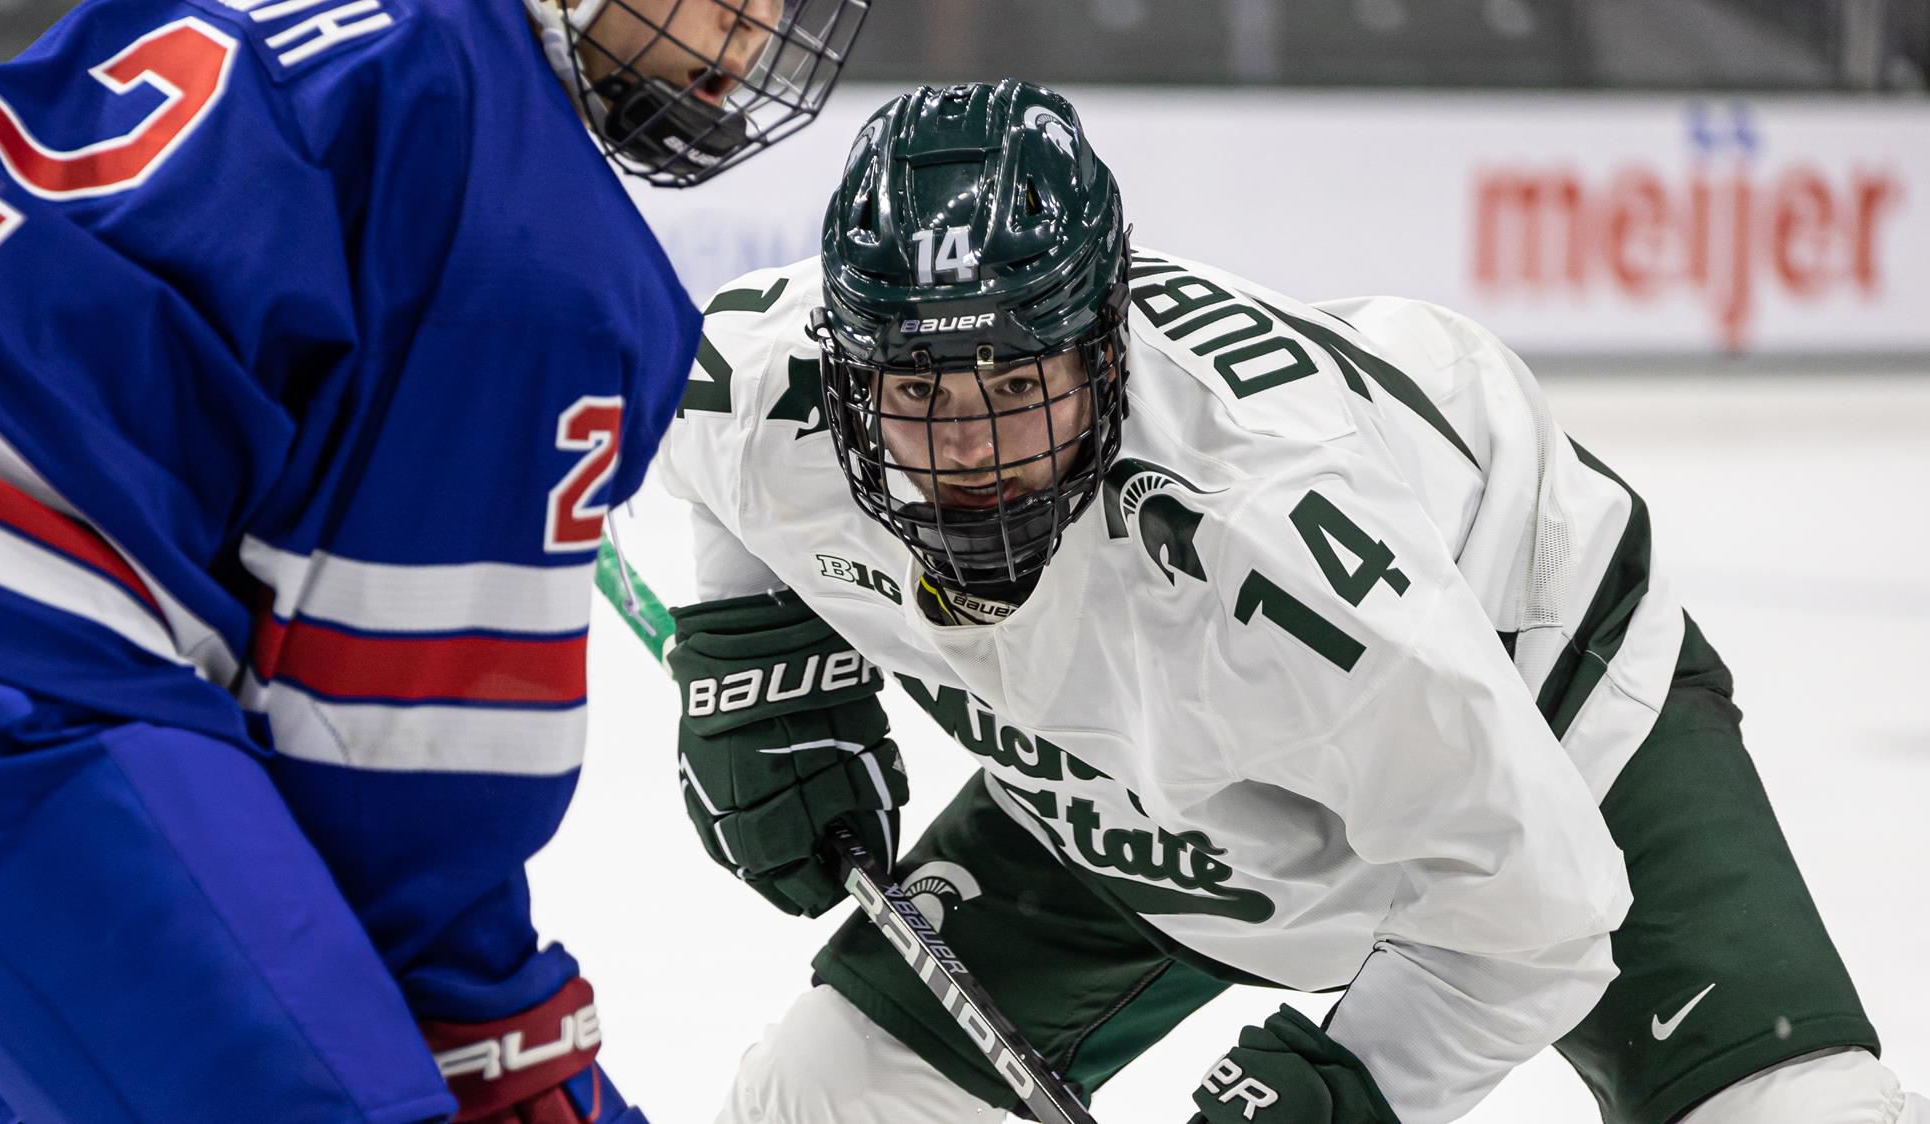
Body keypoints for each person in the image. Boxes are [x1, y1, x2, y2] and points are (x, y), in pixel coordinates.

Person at [656, 80, 1930, 1124]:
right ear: (843, 363)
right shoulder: (771, 386)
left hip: (1538, 714)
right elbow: (701, 449)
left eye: (1012, 384)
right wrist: (753, 647)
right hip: (1128, 793)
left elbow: (1536, 902)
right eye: (921, 397)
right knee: (819, 1094)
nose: (967, 451)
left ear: (1109, 346)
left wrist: (1348, 1088)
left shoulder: (1280, 555)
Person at [0, 0, 865, 1120]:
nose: (756, 20)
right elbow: (393, 789)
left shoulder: (344, 39)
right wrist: (511, 1046)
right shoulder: (521, 224)